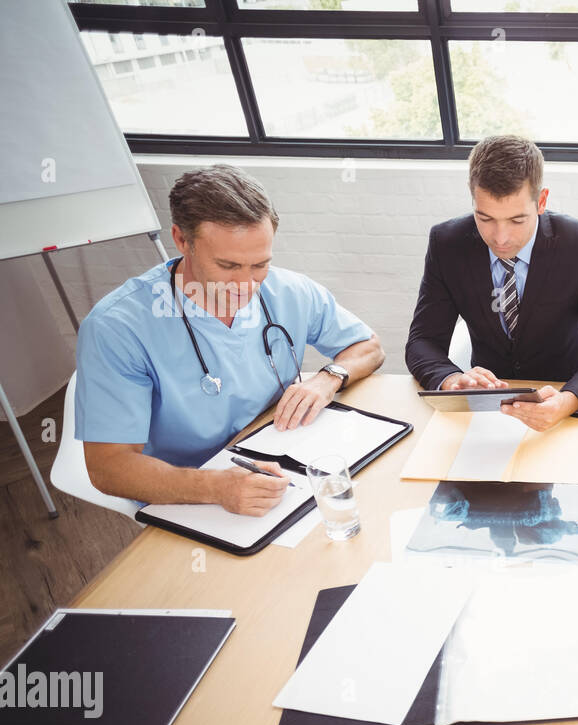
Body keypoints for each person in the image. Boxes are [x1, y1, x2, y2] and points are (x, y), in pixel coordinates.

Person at [76, 164, 385, 516]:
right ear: (181, 240)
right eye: (227, 266)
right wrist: (215, 486)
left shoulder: (289, 291)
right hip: (189, 491)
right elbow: (109, 467)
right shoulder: (117, 328)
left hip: (283, 465)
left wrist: (328, 378)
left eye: (259, 265)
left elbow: (369, 347)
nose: (246, 285)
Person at [405, 135, 578, 432]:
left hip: (563, 400)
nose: (500, 238)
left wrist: (569, 399)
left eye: (516, 220)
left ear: (542, 201)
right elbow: (422, 342)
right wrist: (451, 379)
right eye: (485, 218)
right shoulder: (447, 244)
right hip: (486, 409)